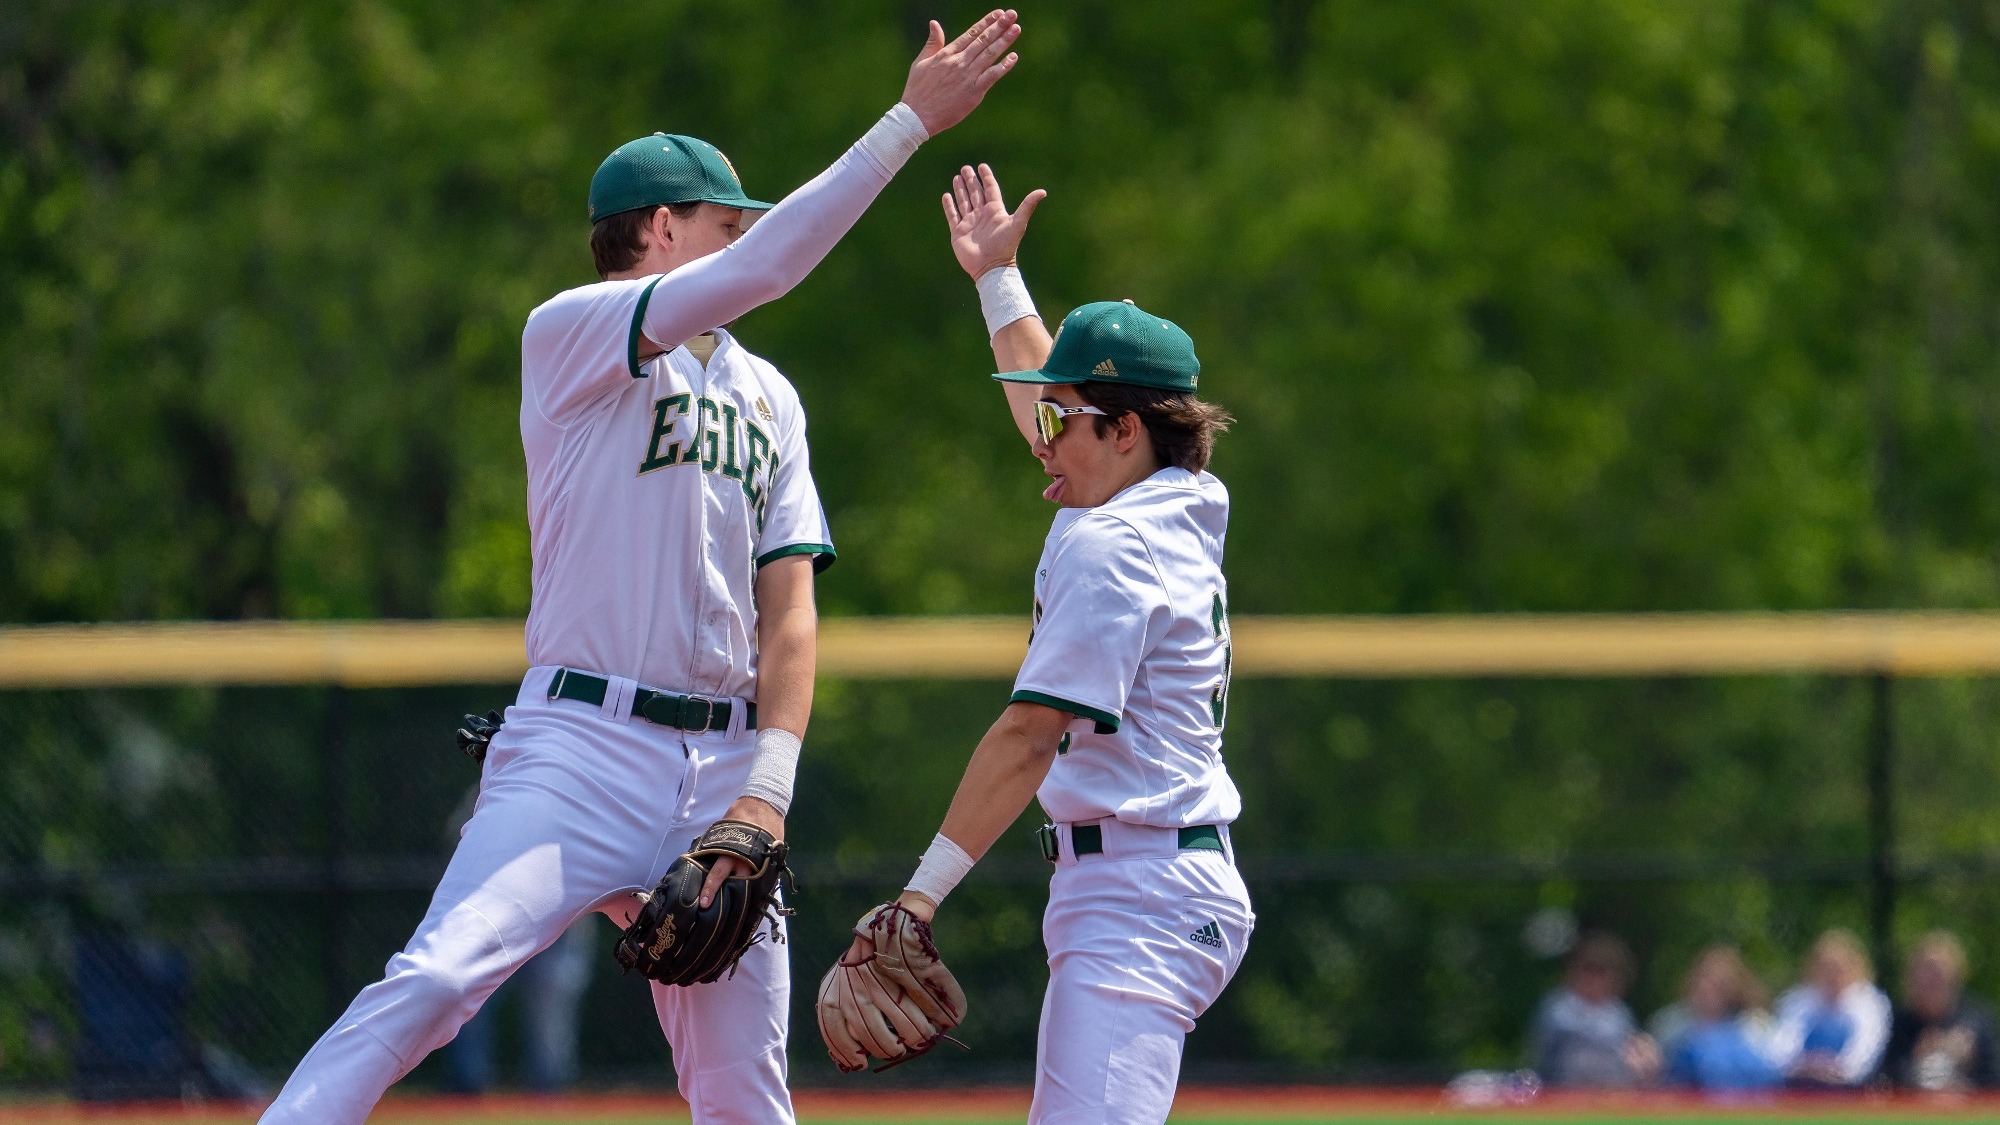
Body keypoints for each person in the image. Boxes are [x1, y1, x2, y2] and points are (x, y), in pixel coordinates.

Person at [255, 14, 1023, 1122]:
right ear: (659, 229)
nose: (745, 238)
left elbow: (791, 613)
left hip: (720, 772)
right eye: (724, 222)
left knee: (743, 1093)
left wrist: (767, 790)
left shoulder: (769, 397)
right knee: (436, 979)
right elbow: (769, 268)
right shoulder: (570, 333)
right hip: (580, 749)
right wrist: (908, 122)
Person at [829, 165, 1251, 1123]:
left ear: (1128, 430)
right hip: (1150, 876)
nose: (1039, 435)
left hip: (1140, 892)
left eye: (1061, 418)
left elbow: (1027, 736)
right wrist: (996, 277)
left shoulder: (1116, 545)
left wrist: (917, 900)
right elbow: (1049, 405)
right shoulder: (1162, 497)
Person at [1528, 930, 1662, 1087]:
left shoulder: (1620, 1015)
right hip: (1562, 1090)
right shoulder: (1558, 1009)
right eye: (1588, 969)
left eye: (1602, 971)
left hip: (1610, 1092)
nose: (1594, 979)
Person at [1769, 928, 1892, 1089]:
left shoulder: (1870, 1004)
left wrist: (1836, 1068)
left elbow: (1864, 1052)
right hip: (1799, 1088)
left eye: (1838, 969)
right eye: (1825, 968)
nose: (1832, 975)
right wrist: (1806, 1065)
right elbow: (1780, 1049)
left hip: (1853, 1091)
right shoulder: (1798, 1002)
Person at [1649, 944, 1781, 1093]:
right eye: (1703, 980)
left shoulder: (1754, 1025)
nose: (1707, 989)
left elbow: (1772, 1074)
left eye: (1718, 985)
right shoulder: (1670, 1022)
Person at [1877, 930, 1998, 1091]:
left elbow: (1994, 1077)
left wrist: (1968, 1059)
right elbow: (1885, 1079)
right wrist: (1918, 1056)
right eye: (1926, 972)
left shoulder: (1979, 1021)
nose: (1932, 979)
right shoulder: (1898, 1022)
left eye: (1939, 972)